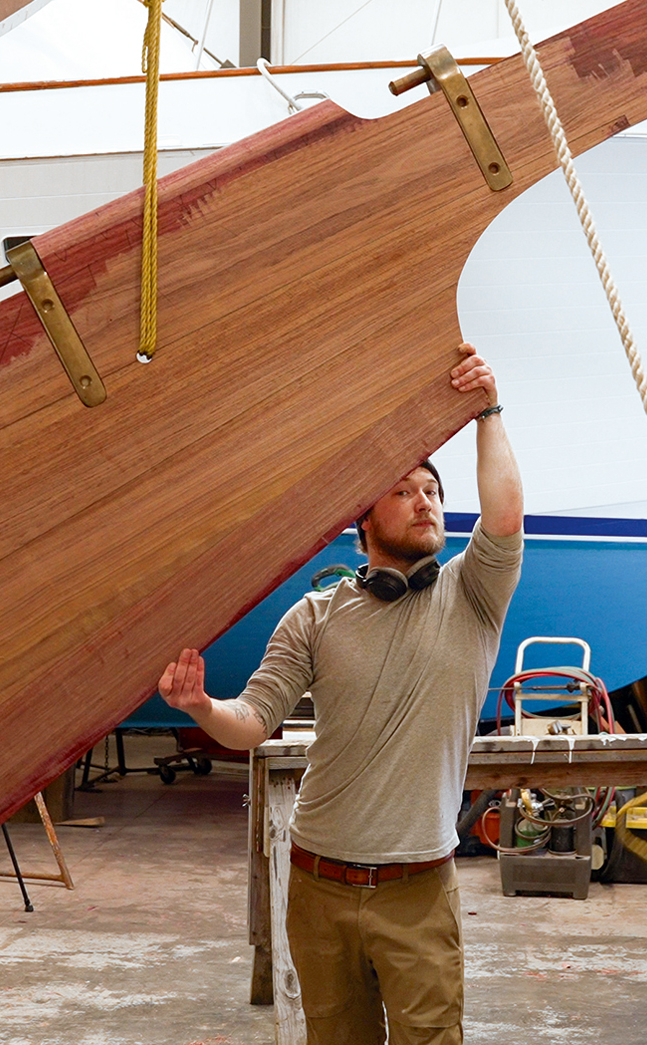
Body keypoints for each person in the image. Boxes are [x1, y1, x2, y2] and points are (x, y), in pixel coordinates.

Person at [158, 343, 522, 1044]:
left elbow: (503, 519)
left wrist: (488, 411)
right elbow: (253, 721)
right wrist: (203, 707)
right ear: (364, 523)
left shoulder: (472, 595)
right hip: (319, 882)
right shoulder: (315, 615)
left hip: (419, 888)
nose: (425, 500)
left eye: (434, 490)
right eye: (405, 490)